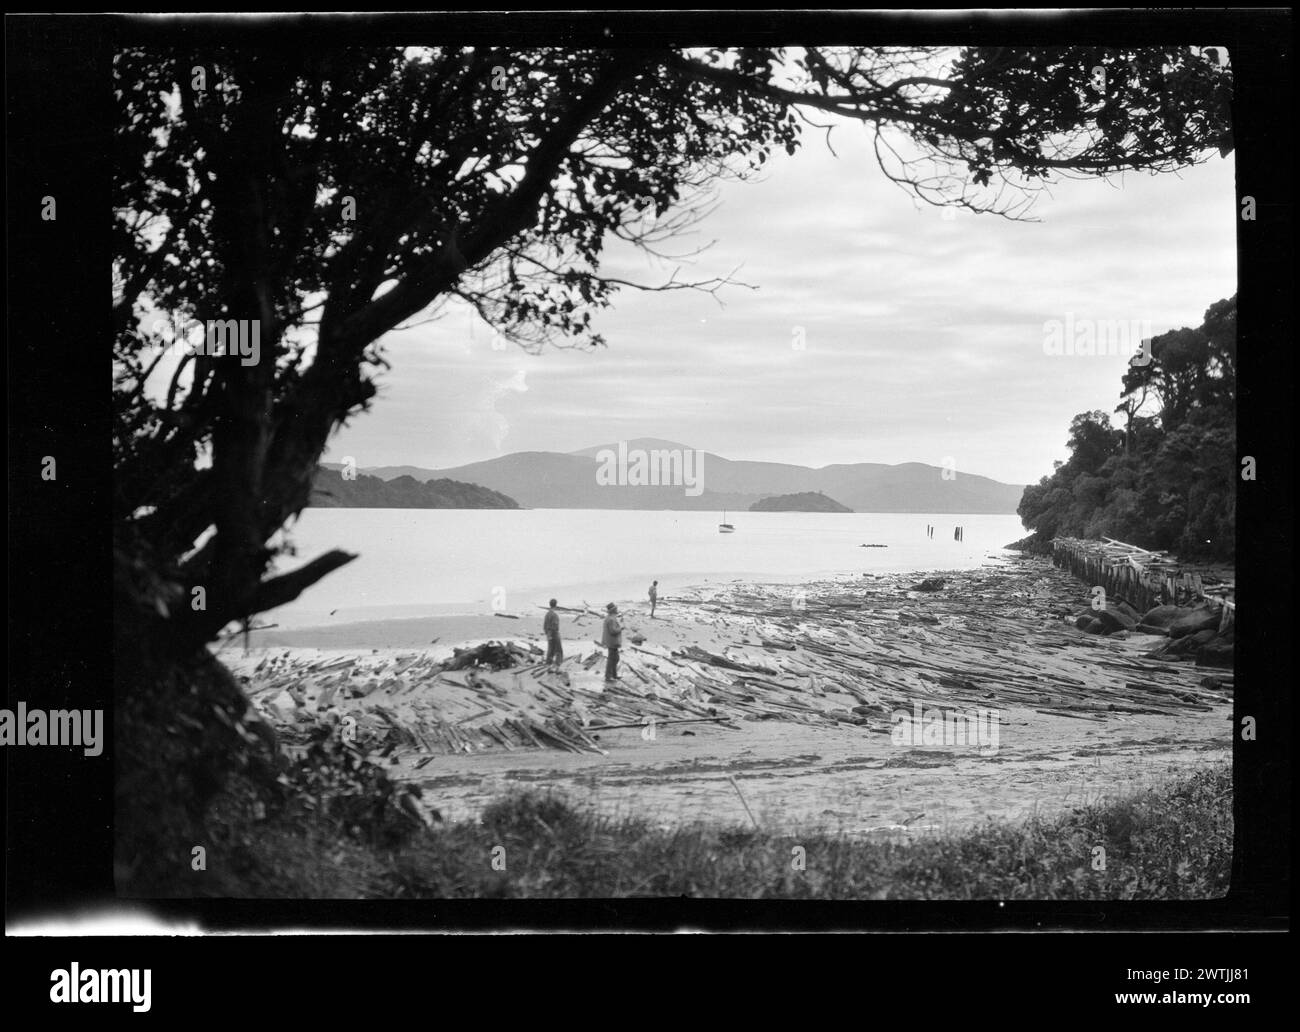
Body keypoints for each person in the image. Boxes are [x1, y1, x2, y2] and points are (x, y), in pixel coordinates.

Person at [602, 602, 623, 682]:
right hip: (612, 642)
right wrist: (620, 628)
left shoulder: (609, 618)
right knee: (612, 659)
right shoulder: (611, 619)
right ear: (614, 610)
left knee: (615, 658)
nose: (617, 610)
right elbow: (613, 631)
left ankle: (614, 675)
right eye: (616, 609)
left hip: (610, 641)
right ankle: (608, 676)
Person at [543, 598, 563, 671]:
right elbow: (555, 626)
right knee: (558, 650)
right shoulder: (554, 615)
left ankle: (548, 664)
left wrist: (547, 633)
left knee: (550, 649)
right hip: (554, 633)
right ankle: (558, 665)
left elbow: (544, 626)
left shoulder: (547, 614)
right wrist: (554, 633)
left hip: (548, 633)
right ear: (556, 605)